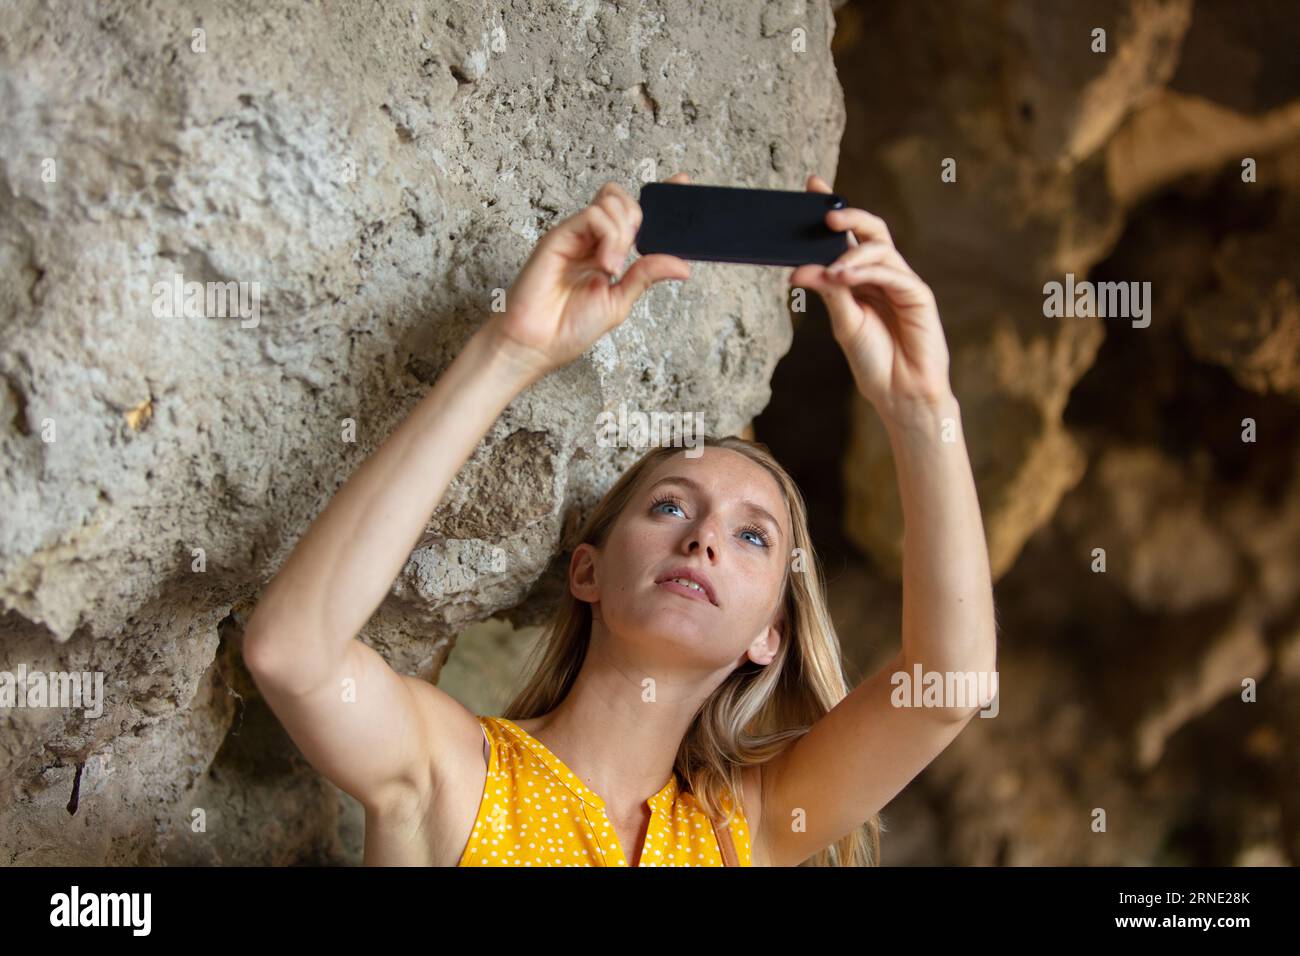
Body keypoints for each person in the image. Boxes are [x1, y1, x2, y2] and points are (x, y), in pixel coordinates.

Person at [243, 171, 997, 867]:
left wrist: (922, 408)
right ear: (588, 571)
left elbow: (949, 687)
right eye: (670, 506)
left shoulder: (745, 830)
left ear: (771, 634)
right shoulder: (452, 774)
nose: (702, 539)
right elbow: (293, 655)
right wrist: (509, 353)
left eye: (751, 537)